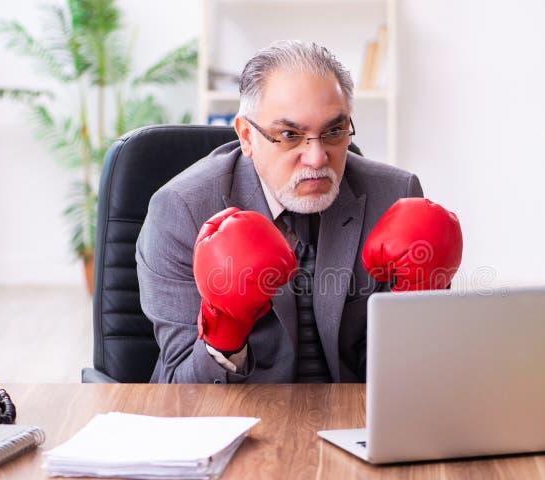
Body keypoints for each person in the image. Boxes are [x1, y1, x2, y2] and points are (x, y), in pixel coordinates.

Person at [136, 40, 462, 384]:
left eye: (334, 132)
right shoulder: (183, 209)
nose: (317, 158)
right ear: (247, 135)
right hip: (245, 424)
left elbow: (414, 381)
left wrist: (418, 305)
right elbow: (177, 394)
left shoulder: (394, 197)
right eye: (290, 135)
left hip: (358, 424)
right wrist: (224, 327)